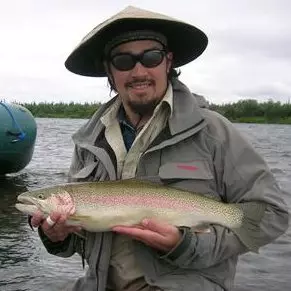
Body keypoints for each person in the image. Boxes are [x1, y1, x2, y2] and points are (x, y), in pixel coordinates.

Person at [31, 5, 289, 291]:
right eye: (123, 60)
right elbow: (79, 243)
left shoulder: (215, 132)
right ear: (109, 70)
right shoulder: (89, 140)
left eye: (151, 57)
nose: (139, 70)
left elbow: (271, 215)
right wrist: (58, 236)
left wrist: (187, 245)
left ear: (168, 62)